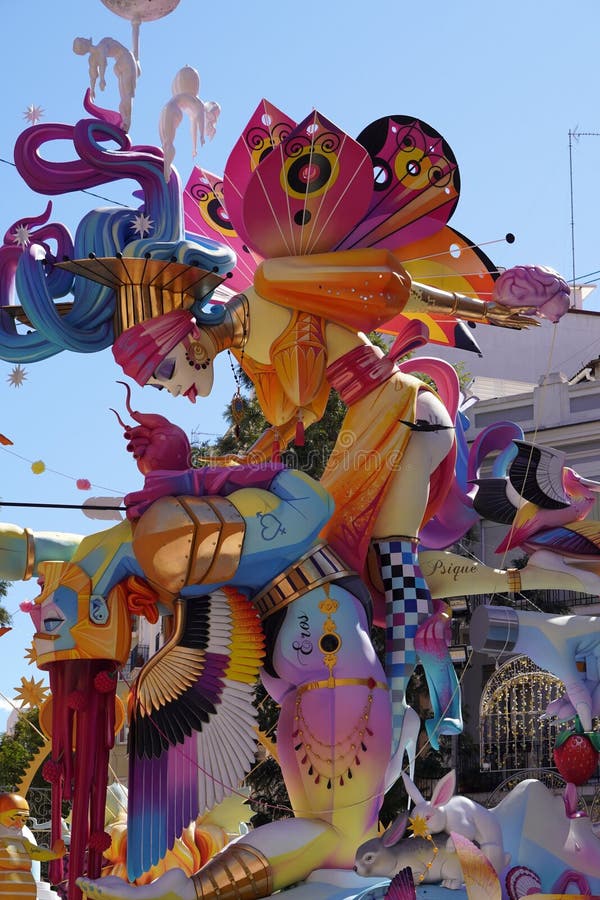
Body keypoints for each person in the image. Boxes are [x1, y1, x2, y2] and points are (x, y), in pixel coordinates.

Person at [0, 792, 66, 899]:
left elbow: (36, 852)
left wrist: (54, 854)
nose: (18, 824)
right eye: (13, 818)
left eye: (23, 819)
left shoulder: (23, 842)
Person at [73, 36, 139, 132]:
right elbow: (95, 71)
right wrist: (93, 89)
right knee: (128, 95)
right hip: (126, 61)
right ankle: (126, 121)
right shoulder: (98, 50)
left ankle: (126, 122)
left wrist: (97, 85)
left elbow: (100, 65)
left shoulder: (98, 51)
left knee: (125, 97)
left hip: (121, 64)